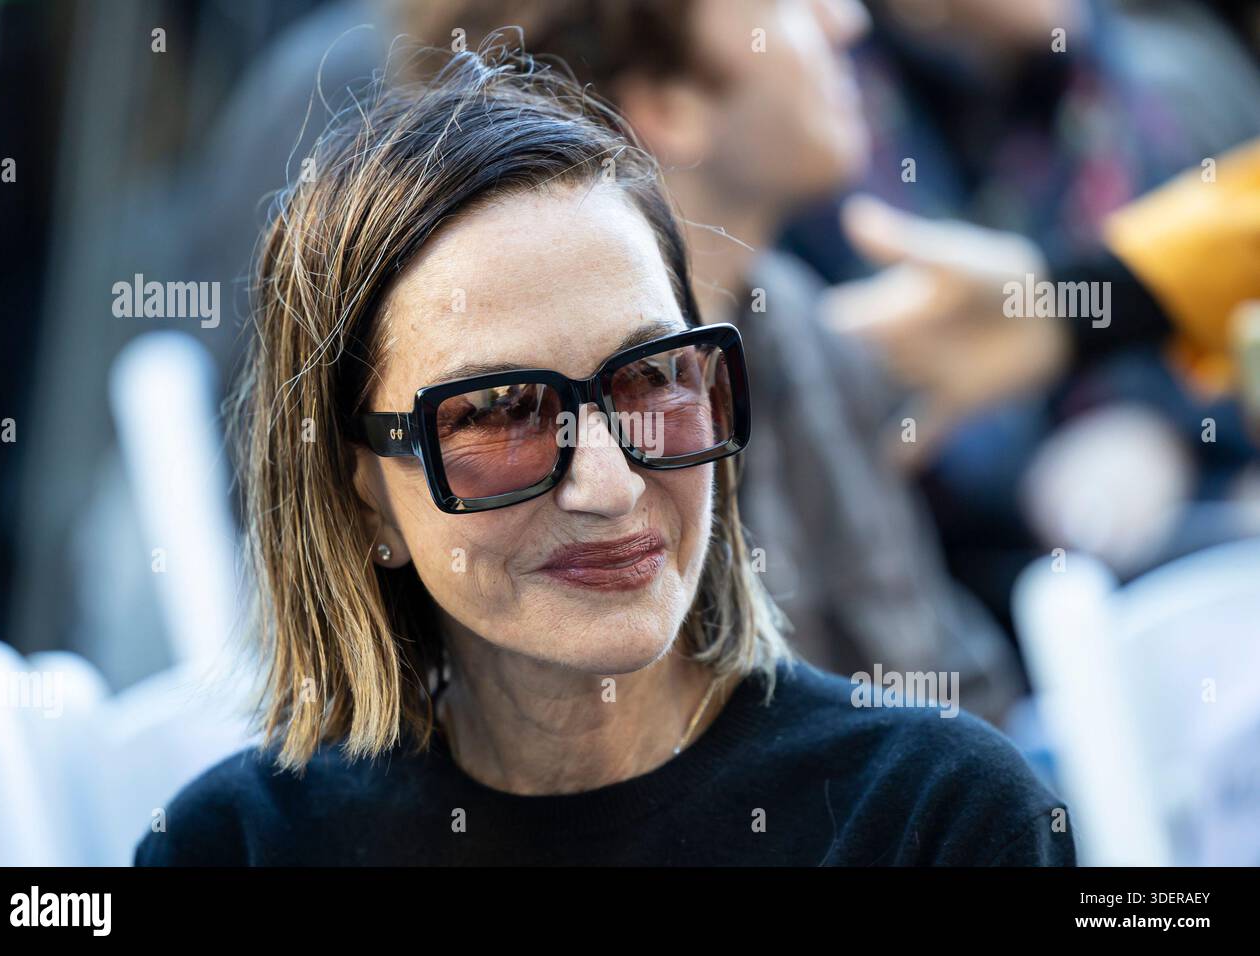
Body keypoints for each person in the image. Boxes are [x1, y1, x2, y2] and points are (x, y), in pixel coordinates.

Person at [132, 48, 1073, 866]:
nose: (611, 483)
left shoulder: (936, 818)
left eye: (654, 378)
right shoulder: (238, 848)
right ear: (365, 493)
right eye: (501, 412)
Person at [403, 0, 1025, 723]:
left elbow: (948, 686)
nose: (846, 21)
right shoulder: (489, 402)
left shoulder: (785, 317)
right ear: (668, 102)